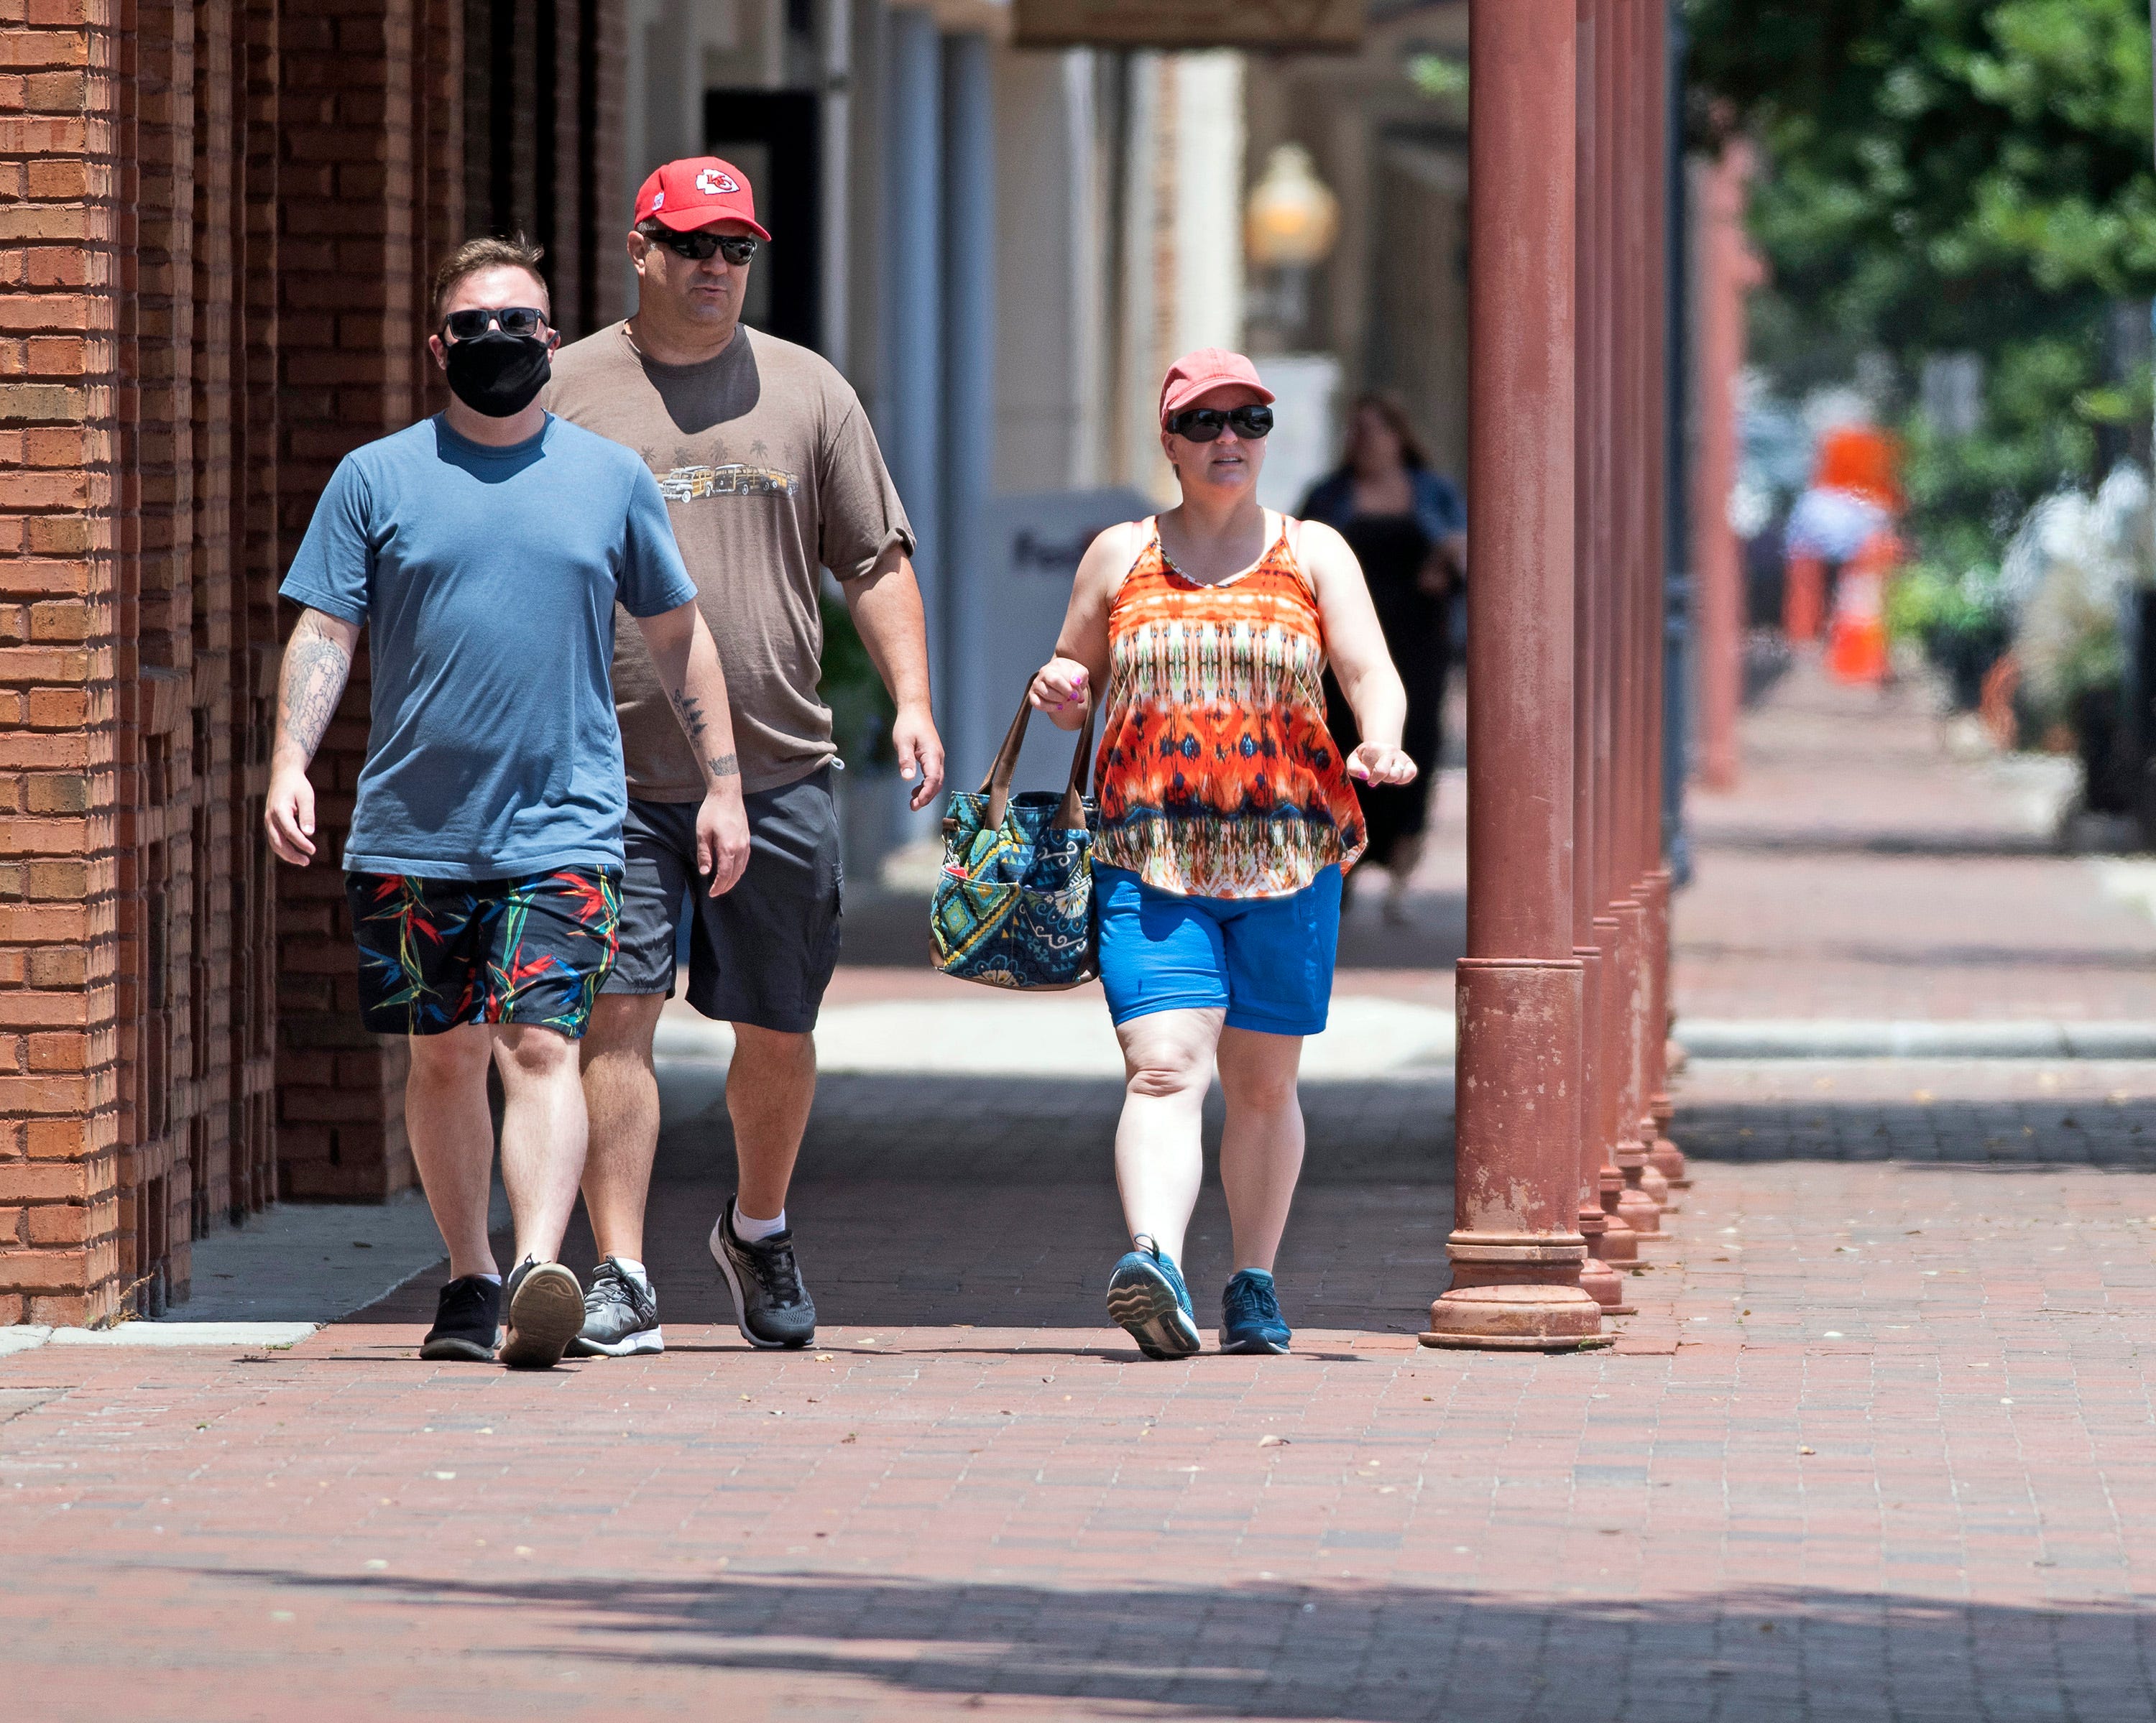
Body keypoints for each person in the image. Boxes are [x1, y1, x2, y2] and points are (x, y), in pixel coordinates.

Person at [265, 236, 748, 1370]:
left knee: (542, 1042)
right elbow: (326, 630)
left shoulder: (609, 478)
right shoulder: (376, 478)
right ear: (439, 348)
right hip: (412, 827)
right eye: (475, 328)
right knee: (444, 1055)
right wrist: (289, 760)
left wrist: (722, 785)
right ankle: (470, 1277)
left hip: (567, 822)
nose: (499, 345)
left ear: (551, 339)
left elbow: (681, 641)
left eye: (521, 326)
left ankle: (539, 1266)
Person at [543, 157, 943, 1357]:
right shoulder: (565, 391)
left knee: (778, 1023)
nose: (716, 267)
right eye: (694, 245)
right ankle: (618, 1271)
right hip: (608, 771)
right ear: (640, 249)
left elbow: (871, 557)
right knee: (617, 1014)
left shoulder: (808, 391)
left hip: (775, 763)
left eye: (736, 249)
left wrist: (915, 700)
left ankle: (757, 1227)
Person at [1026, 349, 1416, 1359]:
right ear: (1169, 442)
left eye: (1248, 421)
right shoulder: (1120, 554)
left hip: (1289, 855)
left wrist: (1380, 734)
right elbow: (1072, 663)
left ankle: (1252, 1278)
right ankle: (1154, 1261)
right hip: (1149, 855)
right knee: (1162, 1068)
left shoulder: (1313, 551)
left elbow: (1370, 665)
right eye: (1204, 423)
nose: (1228, 440)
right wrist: (1062, 686)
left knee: (1262, 1085)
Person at [1297, 394, 1465, 923]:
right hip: (1342, 642)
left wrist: (1446, 562)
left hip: (1417, 638)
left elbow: (1468, 550)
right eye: (1357, 431)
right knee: (1340, 747)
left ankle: (1399, 877)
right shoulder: (1330, 494)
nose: (1365, 441)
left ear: (1399, 436)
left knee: (1413, 747)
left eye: (1376, 430)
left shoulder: (1432, 491)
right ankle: (1342, 867)